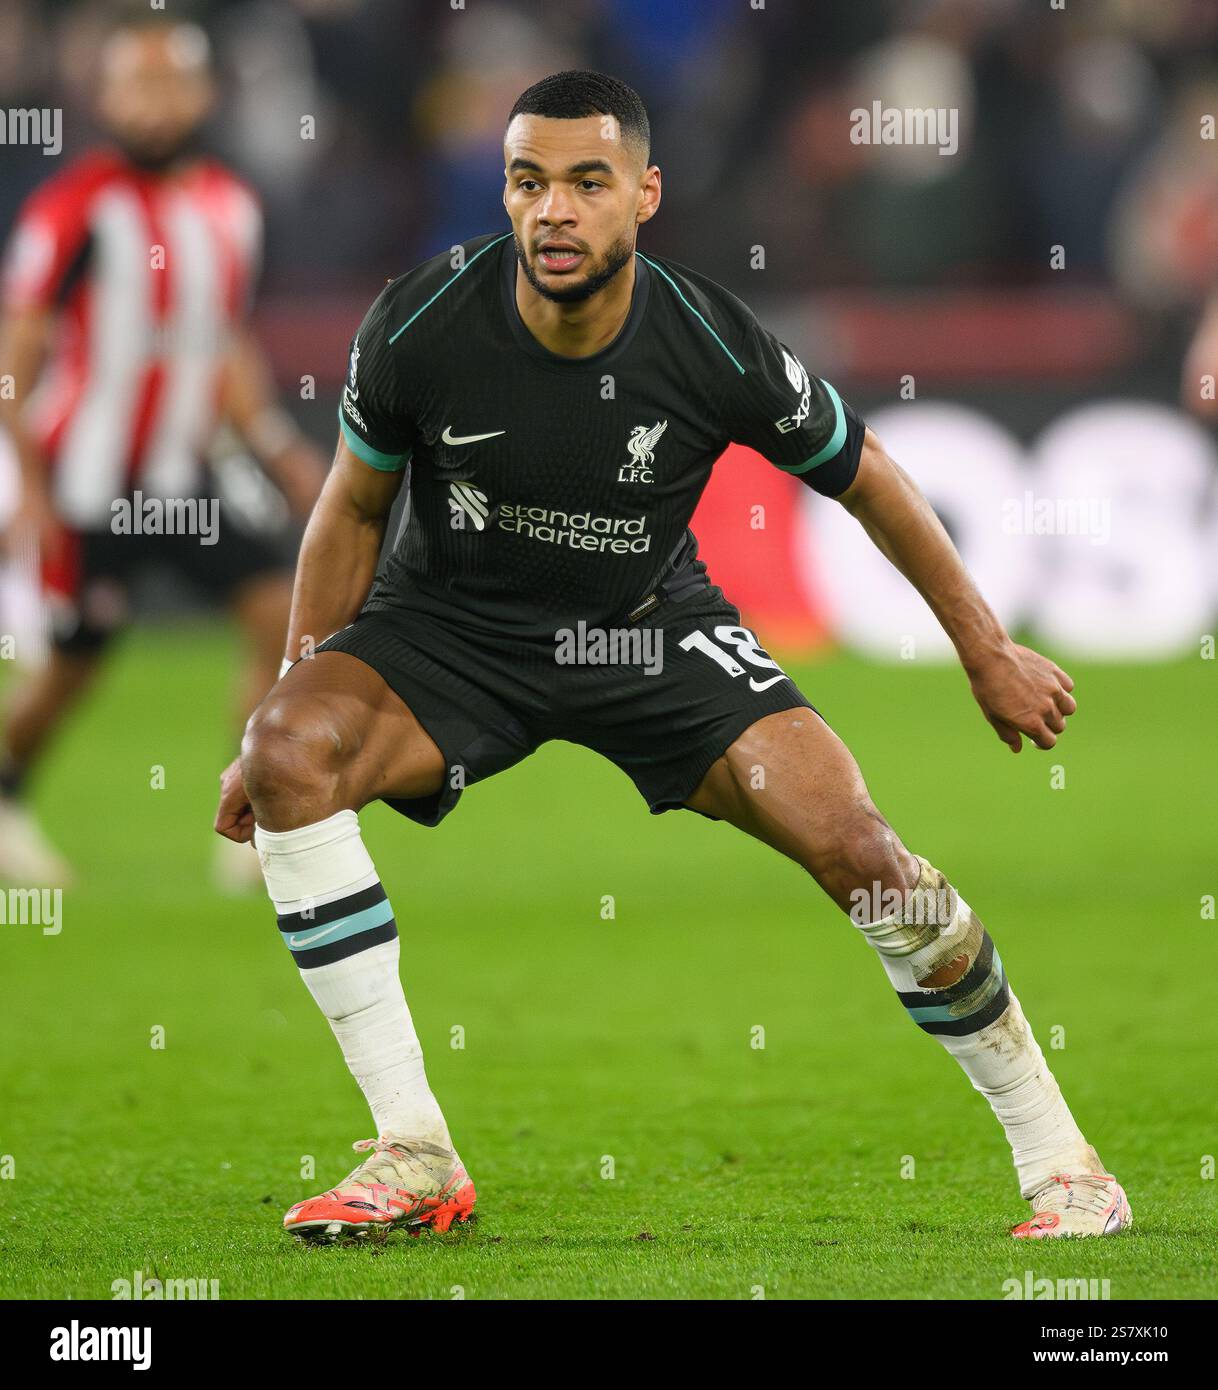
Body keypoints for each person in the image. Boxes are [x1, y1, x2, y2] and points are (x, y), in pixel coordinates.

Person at [215, 70, 1129, 1242]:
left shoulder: (710, 340)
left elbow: (872, 480)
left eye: (587, 183)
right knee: (288, 748)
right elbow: (348, 511)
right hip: (454, 632)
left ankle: (1065, 1161)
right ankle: (414, 1151)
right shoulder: (421, 319)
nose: (553, 210)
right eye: (529, 182)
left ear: (643, 196)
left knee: (862, 850)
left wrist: (985, 646)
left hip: (647, 628)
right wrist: (292, 697)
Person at [0, 15, 325, 888]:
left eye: (169, 81)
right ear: (105, 96)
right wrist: (24, 485)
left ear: (202, 93)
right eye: (135, 83)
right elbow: (17, 351)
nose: (153, 101)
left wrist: (275, 446)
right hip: (85, 484)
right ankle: (5, 798)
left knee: (279, 616)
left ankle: (257, 809)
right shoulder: (72, 208)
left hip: (189, 478)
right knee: (71, 669)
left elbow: (222, 347)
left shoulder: (230, 206)